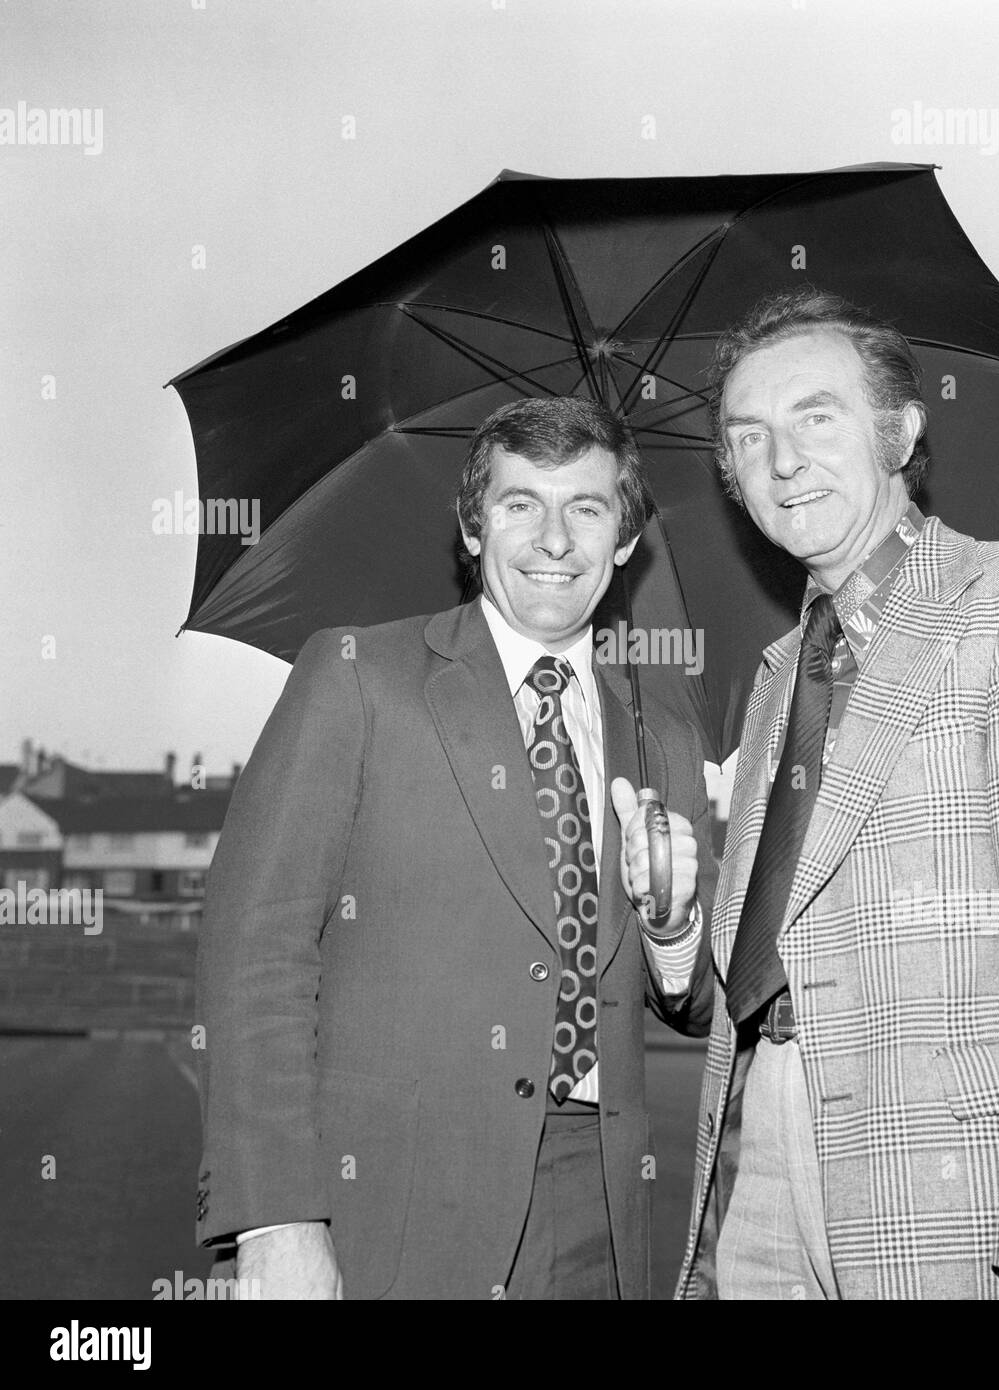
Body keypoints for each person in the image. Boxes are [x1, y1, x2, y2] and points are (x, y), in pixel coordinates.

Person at [677, 288, 999, 1300]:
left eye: (816, 416)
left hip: (952, 1191)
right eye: (747, 436)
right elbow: (761, 966)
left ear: (901, 430)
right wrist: (673, 919)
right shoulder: (775, 680)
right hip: (754, 1161)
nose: (780, 458)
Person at [195, 395, 716, 1299]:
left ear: (625, 541)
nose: (554, 539)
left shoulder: (664, 723)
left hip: (603, 1207)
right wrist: (276, 1220)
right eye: (521, 504)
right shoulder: (359, 676)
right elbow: (255, 952)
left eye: (587, 509)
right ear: (474, 528)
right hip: (391, 1208)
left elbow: (696, 1004)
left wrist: (673, 925)